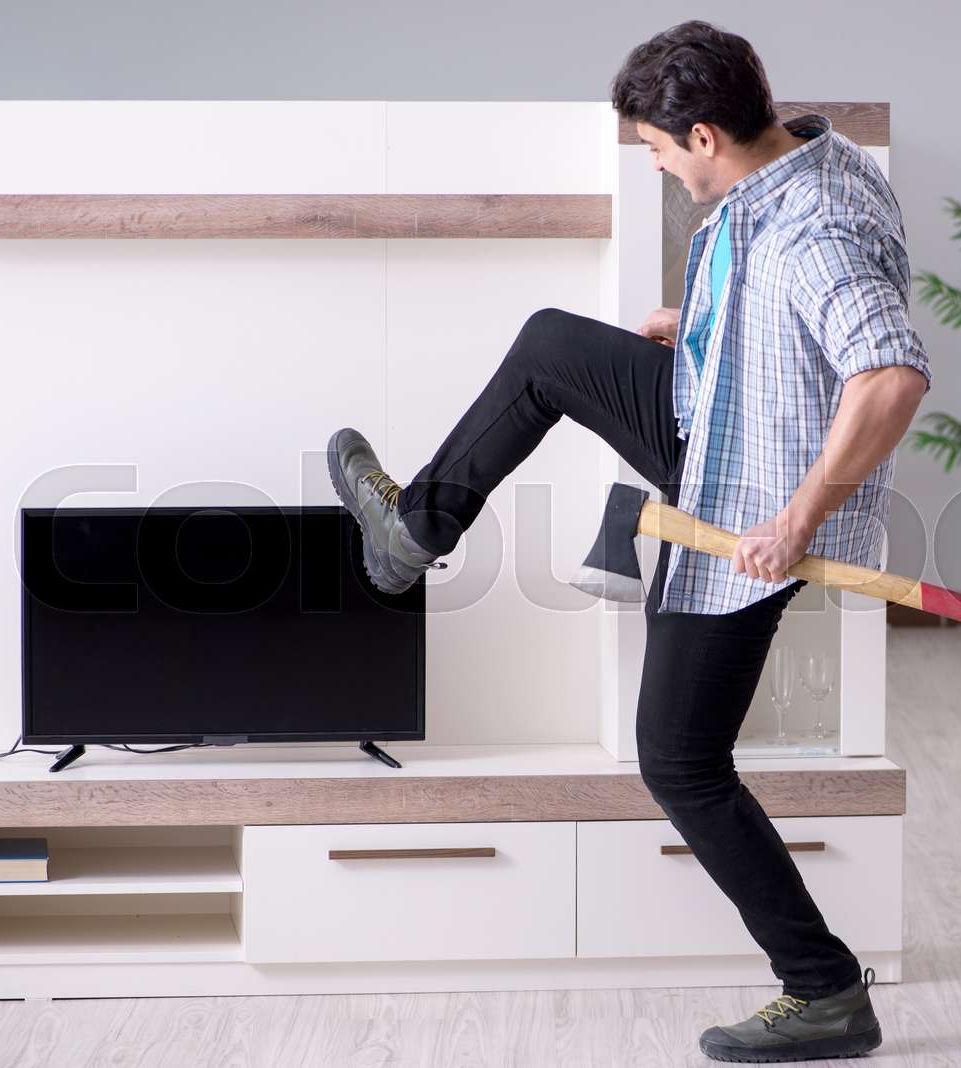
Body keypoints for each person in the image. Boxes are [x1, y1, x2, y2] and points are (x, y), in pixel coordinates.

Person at [326, 18, 930, 1064]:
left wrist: (796, 518)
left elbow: (889, 375)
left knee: (681, 762)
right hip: (723, 422)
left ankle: (826, 990)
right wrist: (701, 330)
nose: (653, 164)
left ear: (703, 136)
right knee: (552, 348)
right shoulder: (801, 160)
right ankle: (413, 532)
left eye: (654, 147)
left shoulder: (815, 227)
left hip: (748, 499)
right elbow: (788, 313)